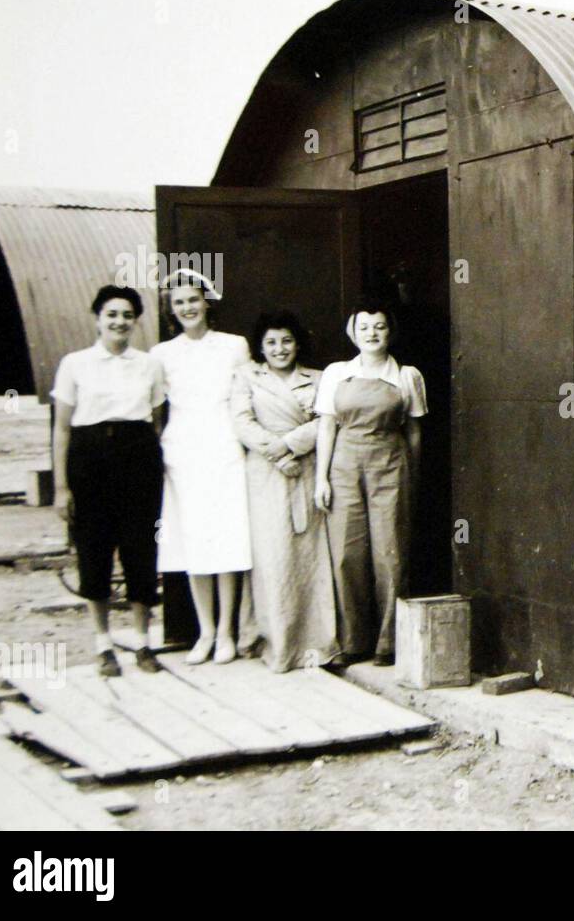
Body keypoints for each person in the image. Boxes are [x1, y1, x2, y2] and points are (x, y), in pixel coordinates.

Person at [51, 286, 166, 677]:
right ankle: (103, 645)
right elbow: (62, 429)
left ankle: (142, 642)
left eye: (127, 314)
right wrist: (63, 487)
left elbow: (155, 421)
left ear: (136, 320)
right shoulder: (75, 363)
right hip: (89, 459)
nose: (119, 321)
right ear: (97, 318)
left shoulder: (149, 364)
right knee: (94, 552)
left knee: (140, 550)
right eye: (111, 314)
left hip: (138, 458)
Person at [314, 301, 427, 666]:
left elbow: (413, 431)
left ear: (389, 331)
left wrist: (411, 476)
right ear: (353, 332)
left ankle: (387, 642)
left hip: (389, 465)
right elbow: (327, 425)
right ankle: (353, 641)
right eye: (364, 327)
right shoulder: (336, 373)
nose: (372, 333)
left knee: (389, 554)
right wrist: (321, 478)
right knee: (348, 553)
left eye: (379, 326)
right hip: (344, 465)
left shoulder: (406, 376)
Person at [150, 269, 252, 665]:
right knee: (193, 541)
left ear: (206, 302)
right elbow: (157, 409)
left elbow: (244, 399)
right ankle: (205, 631)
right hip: (184, 454)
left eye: (193, 299)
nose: (187, 307)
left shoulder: (234, 346)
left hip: (225, 449)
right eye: (179, 303)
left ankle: (227, 631)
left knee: (227, 539)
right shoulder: (162, 354)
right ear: (171, 310)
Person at [231, 311, 340, 671]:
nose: (280, 349)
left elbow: (325, 422)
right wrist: (277, 455)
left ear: (297, 343)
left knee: (307, 556)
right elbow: (242, 421)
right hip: (265, 475)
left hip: (306, 470)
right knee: (271, 557)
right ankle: (275, 642)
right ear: (261, 347)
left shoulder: (318, 378)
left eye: (287, 341)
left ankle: (313, 643)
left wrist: (291, 444)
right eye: (272, 342)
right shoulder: (247, 376)